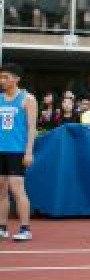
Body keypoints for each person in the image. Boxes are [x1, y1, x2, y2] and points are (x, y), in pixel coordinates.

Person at [0, 64, 36, 242]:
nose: (2, 80)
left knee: (17, 188)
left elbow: (31, 128)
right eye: (1, 77)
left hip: (16, 150)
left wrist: (28, 152)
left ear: (16, 79)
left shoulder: (27, 98)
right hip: (1, 149)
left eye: (6, 77)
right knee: (1, 189)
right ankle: (2, 227)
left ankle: (24, 228)